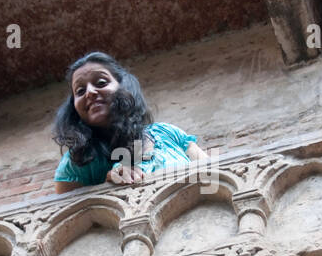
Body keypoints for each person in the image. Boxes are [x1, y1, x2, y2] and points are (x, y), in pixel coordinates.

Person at [52, 51, 206, 193]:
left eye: (100, 82)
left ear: (123, 87)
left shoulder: (167, 133)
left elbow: (213, 176)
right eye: (80, 91)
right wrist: (107, 186)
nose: (90, 92)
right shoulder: (77, 162)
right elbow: (67, 217)